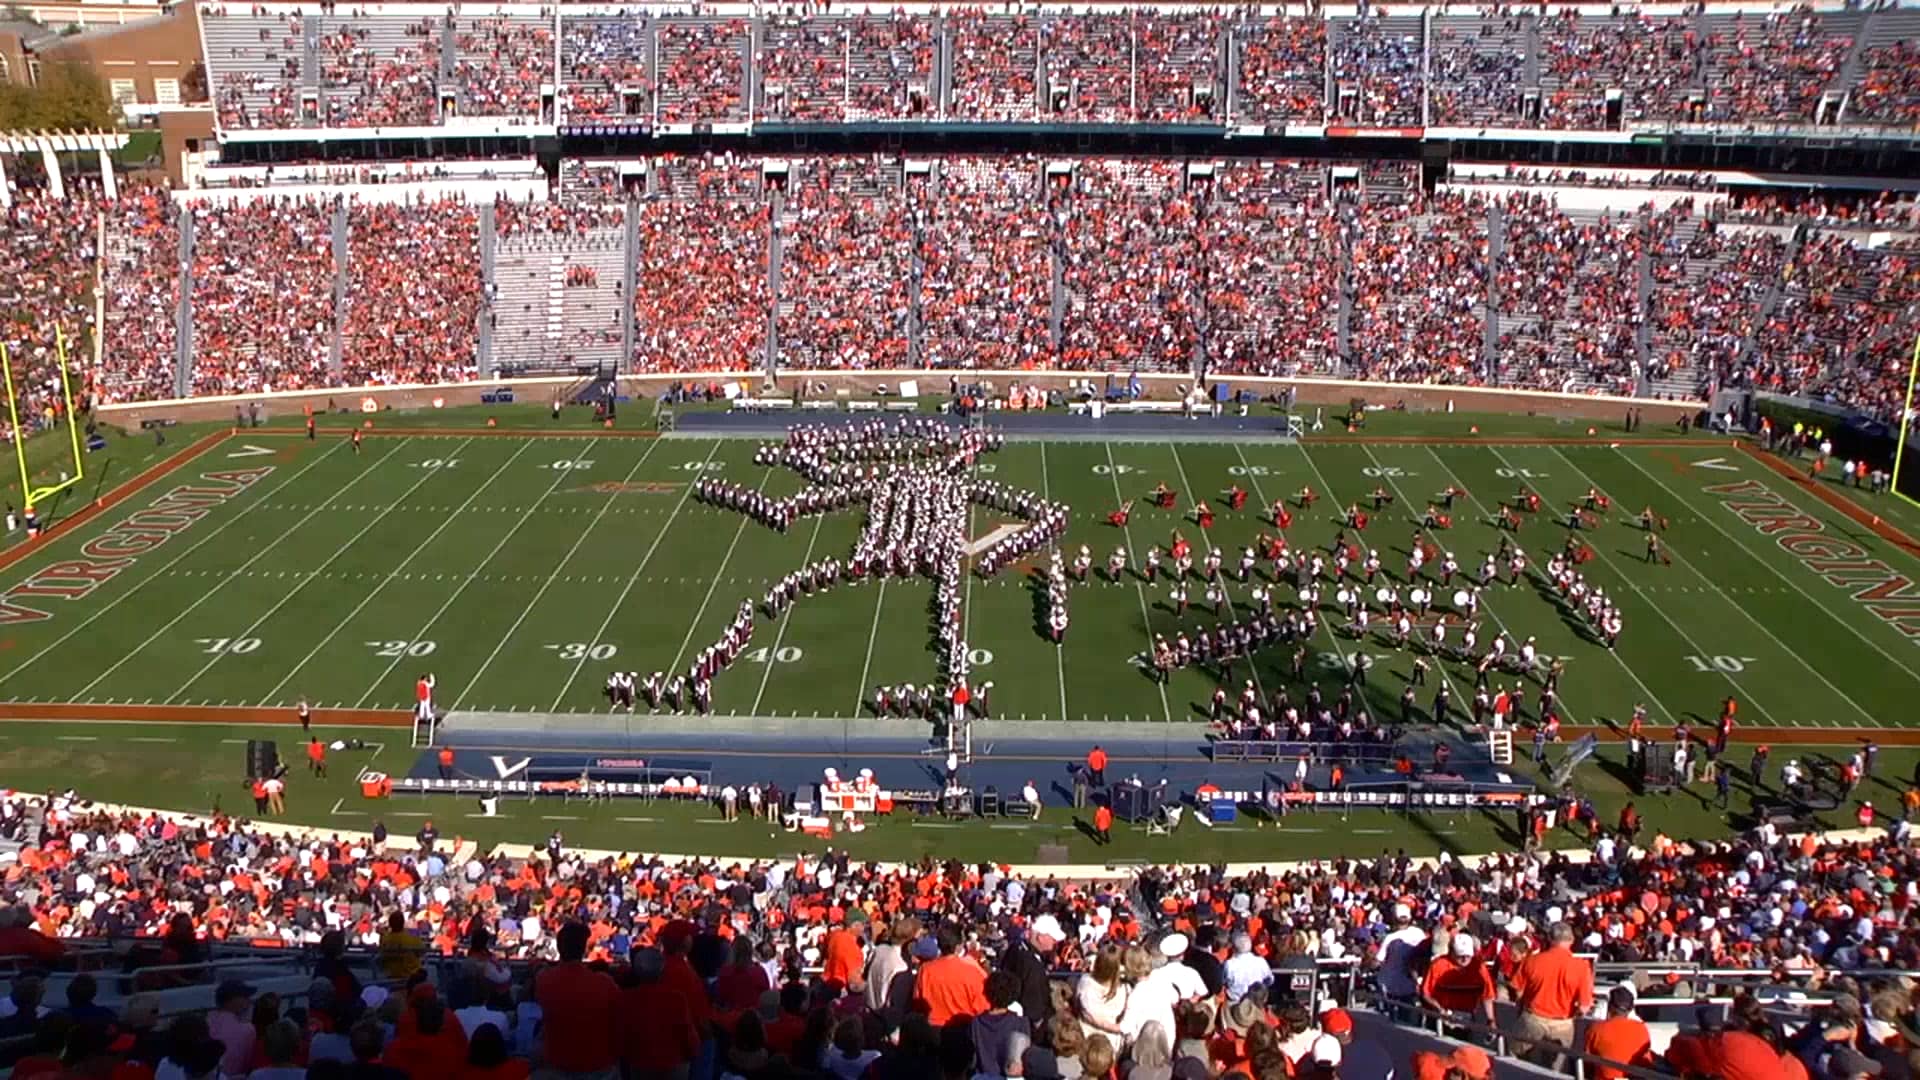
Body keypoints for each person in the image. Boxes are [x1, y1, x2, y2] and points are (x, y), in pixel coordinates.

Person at [533, 921, 619, 1080]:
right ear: (584, 948)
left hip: (556, 1065)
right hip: (597, 1067)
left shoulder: (543, 980)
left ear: (559, 947)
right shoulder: (604, 983)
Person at [1509, 922, 1593, 1070]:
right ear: (1572, 940)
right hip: (1563, 1025)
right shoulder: (1582, 967)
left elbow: (1517, 991)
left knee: (1514, 1061)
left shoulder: (1532, 961)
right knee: (1555, 1071)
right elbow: (1584, 1007)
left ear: (1549, 939)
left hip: (1532, 1021)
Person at [1582, 986, 1653, 1080]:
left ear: (1610, 1006)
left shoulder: (1596, 1029)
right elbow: (1646, 1063)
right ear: (1630, 1009)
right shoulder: (1641, 1029)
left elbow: (1586, 1064)